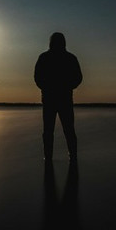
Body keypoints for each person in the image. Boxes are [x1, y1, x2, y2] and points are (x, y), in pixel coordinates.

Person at [34, 32, 82, 162]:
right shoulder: (68, 58)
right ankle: (68, 157)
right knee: (63, 130)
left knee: (59, 130)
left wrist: (50, 87)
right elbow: (37, 77)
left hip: (56, 99)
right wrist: (66, 86)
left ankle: (54, 157)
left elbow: (78, 78)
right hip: (58, 99)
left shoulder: (46, 57)